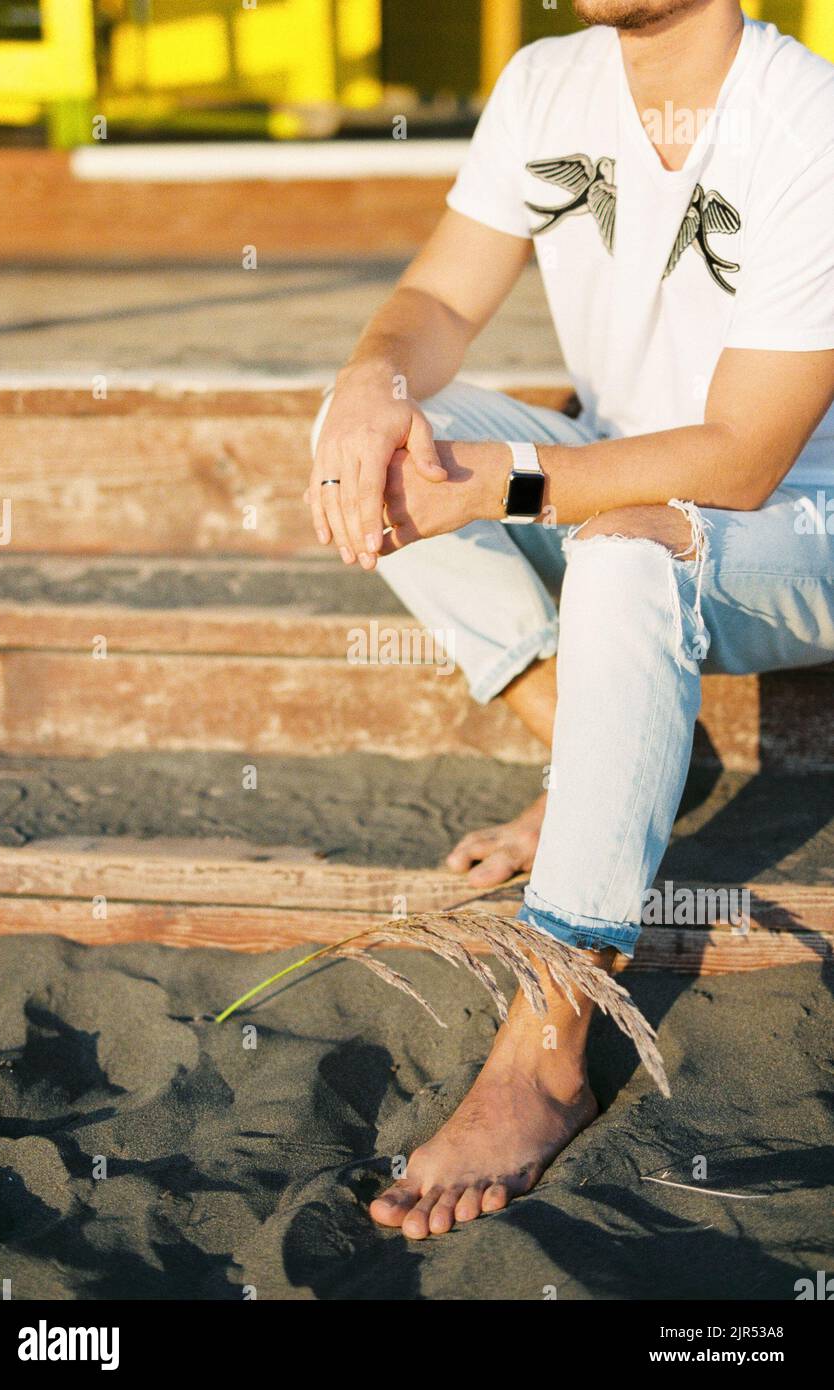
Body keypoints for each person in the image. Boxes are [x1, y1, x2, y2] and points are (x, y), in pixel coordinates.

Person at [307, 0, 834, 1240]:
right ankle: (588, 754)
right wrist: (365, 388)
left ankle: (546, 1041)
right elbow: (434, 298)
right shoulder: (546, 82)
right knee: (372, 445)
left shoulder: (803, 116)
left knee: (620, 548)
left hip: (796, 530)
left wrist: (501, 482)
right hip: (622, 474)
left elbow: (743, 459)